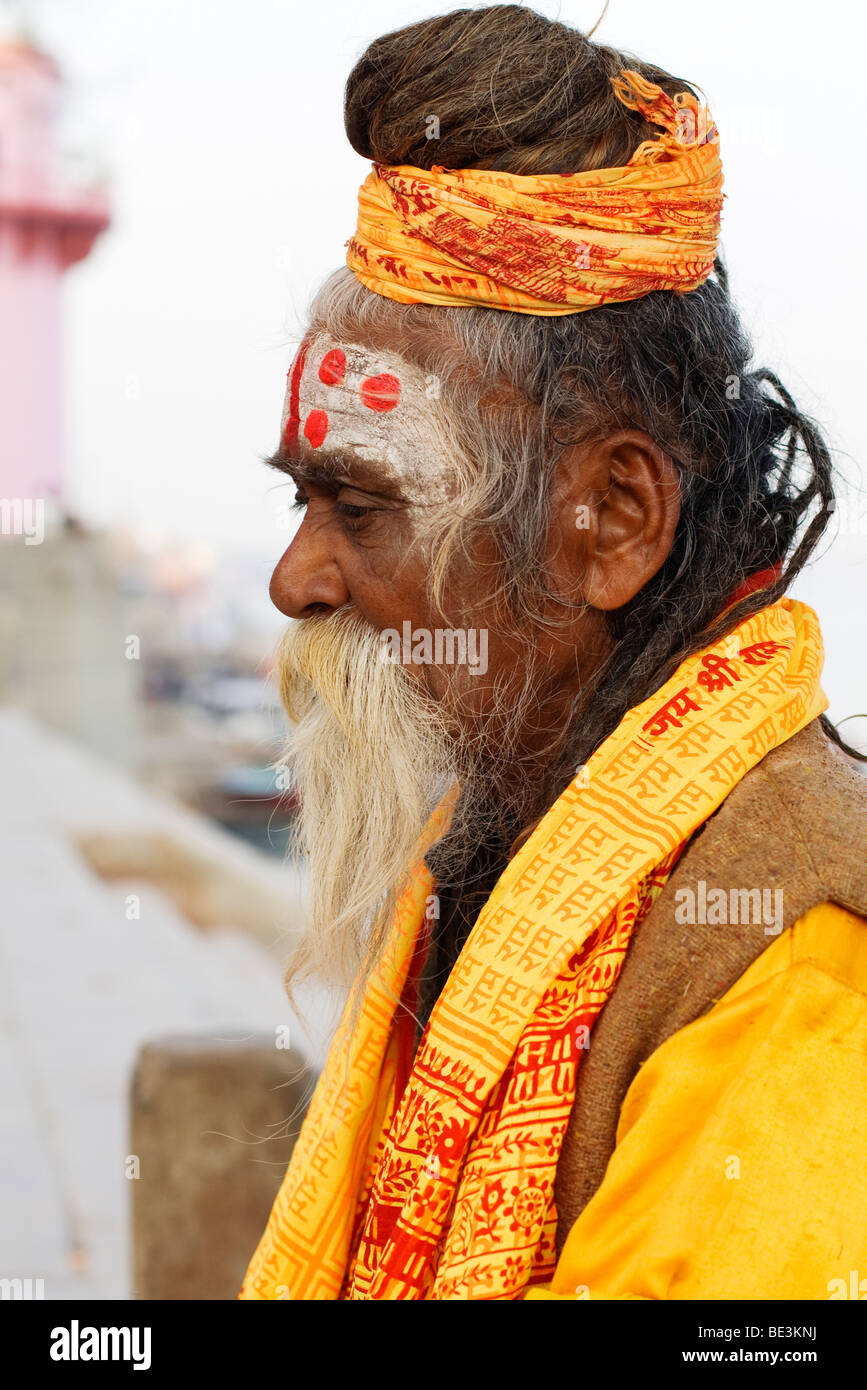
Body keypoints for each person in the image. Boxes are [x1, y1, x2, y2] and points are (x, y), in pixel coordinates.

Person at [239, 6, 867, 1301]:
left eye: (359, 506)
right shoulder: (489, 822)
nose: (294, 577)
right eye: (298, 502)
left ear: (611, 520)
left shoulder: (794, 979)